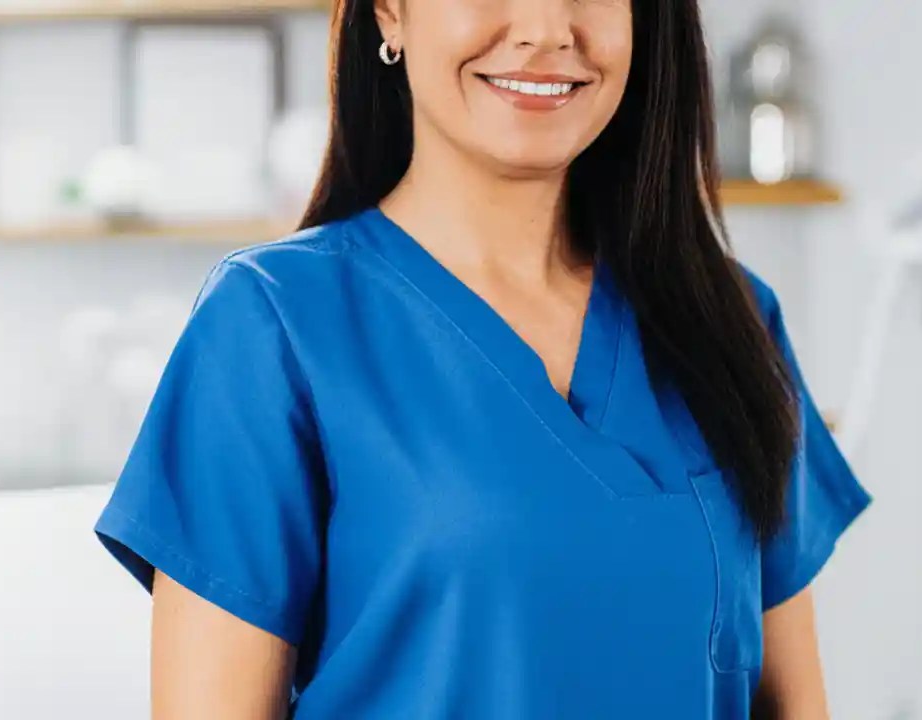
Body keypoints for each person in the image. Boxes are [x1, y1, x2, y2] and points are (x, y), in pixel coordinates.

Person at [92, 0, 873, 717]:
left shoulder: (731, 320)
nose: (545, 28)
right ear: (391, 13)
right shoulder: (272, 324)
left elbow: (794, 704)